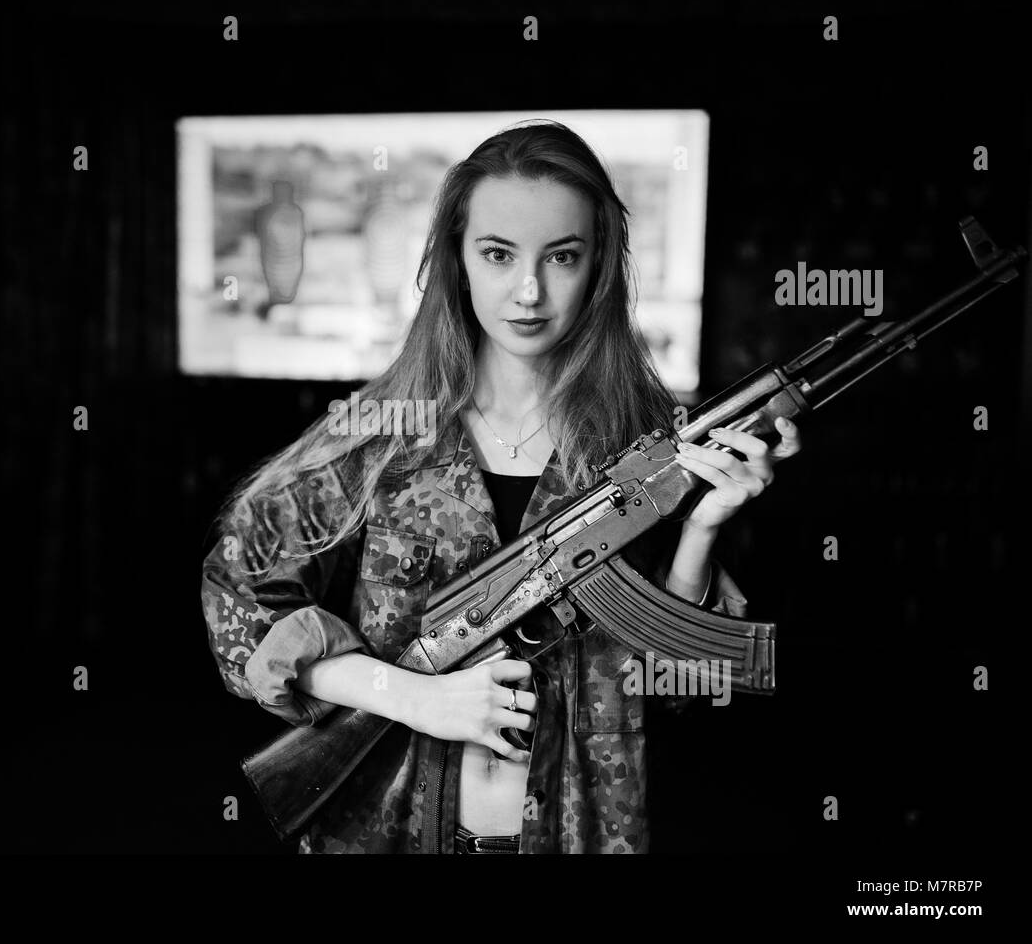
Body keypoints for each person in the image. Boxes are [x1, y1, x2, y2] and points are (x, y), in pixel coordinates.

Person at [200, 120, 802, 853]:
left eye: (563, 256)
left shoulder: (643, 443)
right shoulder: (386, 435)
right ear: (456, 260)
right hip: (389, 833)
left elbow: (676, 686)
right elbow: (238, 594)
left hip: (579, 833)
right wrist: (412, 695)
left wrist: (703, 528)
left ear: (600, 267)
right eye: (498, 254)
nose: (529, 290)